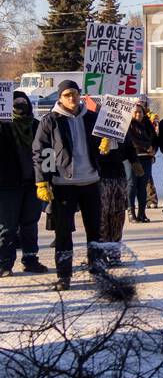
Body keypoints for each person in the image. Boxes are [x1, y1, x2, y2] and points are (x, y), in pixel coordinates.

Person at [31, 80, 103, 290]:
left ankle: (97, 270)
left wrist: (108, 144)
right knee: (63, 233)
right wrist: (42, 180)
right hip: (63, 184)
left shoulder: (92, 118)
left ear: (80, 95)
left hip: (90, 182)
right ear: (60, 97)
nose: (71, 98)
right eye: (67, 95)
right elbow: (42, 152)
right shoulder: (50, 121)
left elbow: (104, 145)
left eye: (74, 94)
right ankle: (64, 276)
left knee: (95, 231)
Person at [0, 91, 46, 277]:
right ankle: (4, 264)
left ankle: (30, 259)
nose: (20, 106)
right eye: (16, 102)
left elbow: (46, 151)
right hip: (7, 185)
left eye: (23, 102)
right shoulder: (3, 127)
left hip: (32, 183)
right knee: (7, 226)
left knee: (30, 223)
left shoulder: (36, 126)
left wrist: (46, 178)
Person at [94, 125, 138, 266]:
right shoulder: (94, 128)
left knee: (117, 215)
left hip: (119, 176)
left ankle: (114, 253)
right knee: (102, 216)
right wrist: (100, 148)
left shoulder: (121, 129)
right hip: (100, 177)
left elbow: (129, 148)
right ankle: (101, 252)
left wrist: (135, 161)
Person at [125, 99, 157, 223]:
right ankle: (131, 212)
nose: (138, 114)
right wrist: (146, 146)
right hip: (132, 158)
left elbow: (155, 139)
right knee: (132, 184)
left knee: (142, 186)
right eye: (135, 112)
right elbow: (131, 140)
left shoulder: (148, 124)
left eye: (140, 112)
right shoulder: (127, 124)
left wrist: (153, 149)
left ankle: (142, 213)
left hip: (146, 158)